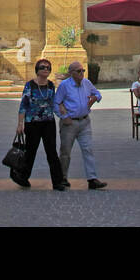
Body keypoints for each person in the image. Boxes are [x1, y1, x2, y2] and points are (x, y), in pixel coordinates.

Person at [14, 58, 66, 190]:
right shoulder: (29, 85)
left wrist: (64, 113)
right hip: (32, 123)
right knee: (30, 151)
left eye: (48, 67)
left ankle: (57, 181)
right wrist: (20, 124)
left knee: (51, 152)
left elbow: (54, 103)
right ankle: (23, 177)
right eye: (43, 67)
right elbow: (23, 105)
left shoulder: (50, 85)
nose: (46, 69)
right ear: (37, 70)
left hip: (48, 122)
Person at [54, 61, 106, 189]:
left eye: (82, 70)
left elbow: (97, 94)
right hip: (69, 123)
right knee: (65, 152)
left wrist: (94, 99)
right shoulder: (65, 86)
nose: (82, 73)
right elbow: (56, 103)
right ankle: (63, 177)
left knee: (88, 149)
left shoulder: (86, 83)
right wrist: (64, 117)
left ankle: (92, 179)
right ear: (71, 73)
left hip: (84, 121)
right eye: (78, 71)